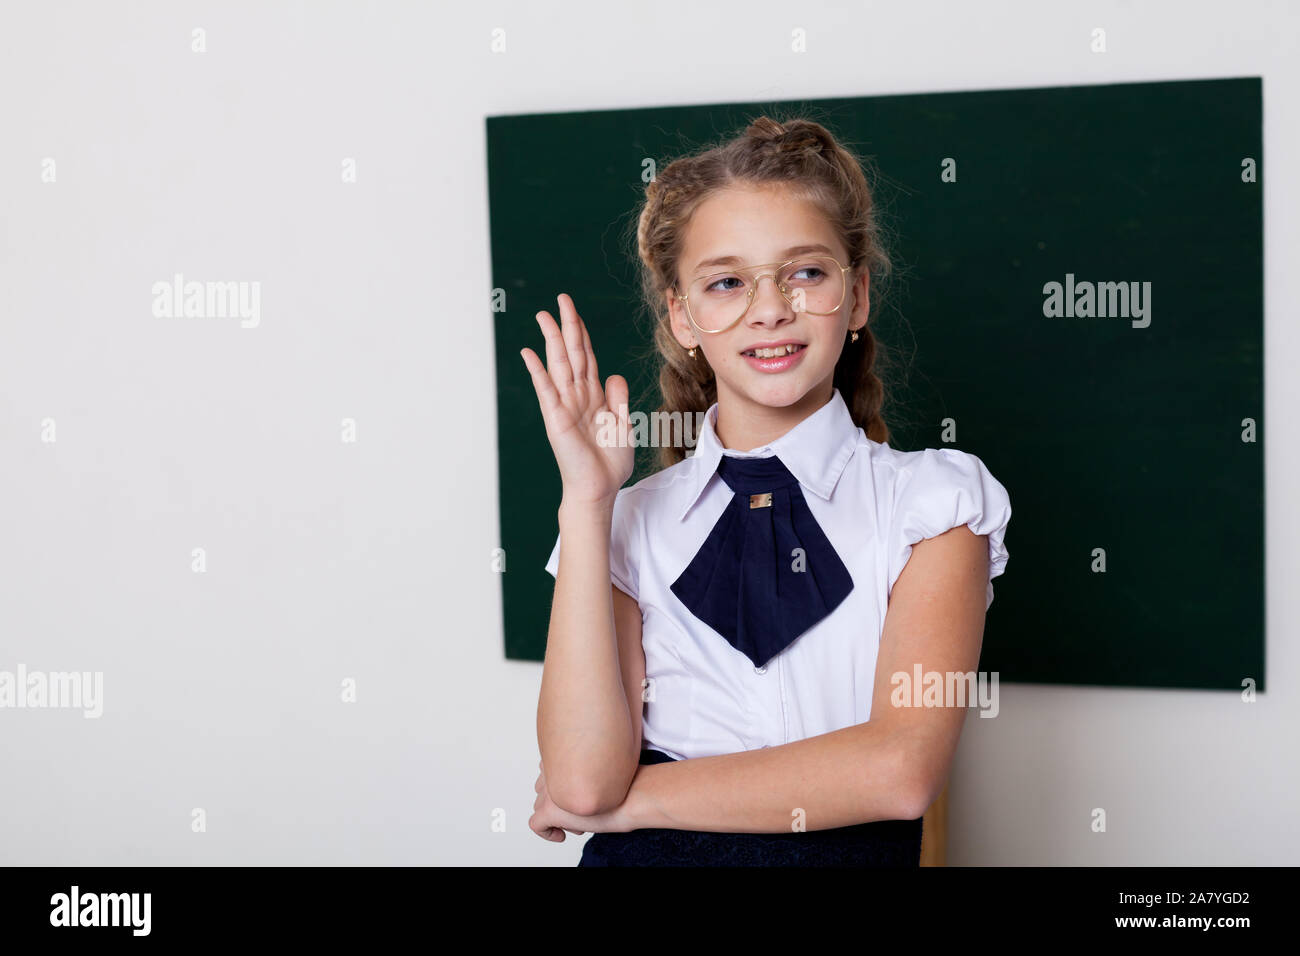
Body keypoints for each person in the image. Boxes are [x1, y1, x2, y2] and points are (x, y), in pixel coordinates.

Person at [518, 115, 1011, 866]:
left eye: (806, 272)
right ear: (682, 315)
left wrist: (639, 801)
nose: (770, 307)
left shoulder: (935, 506)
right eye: (725, 282)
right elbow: (583, 785)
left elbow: (901, 772)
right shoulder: (626, 524)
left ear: (859, 296)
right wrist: (587, 502)